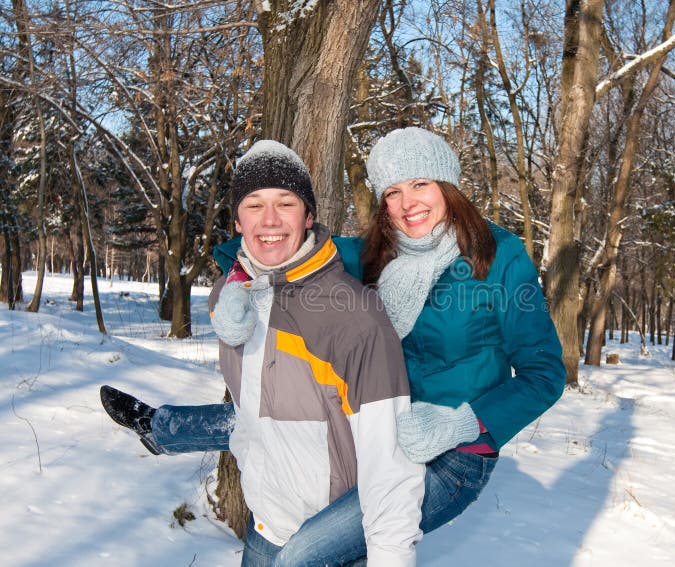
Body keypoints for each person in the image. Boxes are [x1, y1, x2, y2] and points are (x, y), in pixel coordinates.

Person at [102, 127, 566, 565]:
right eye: (392, 192)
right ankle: (160, 427)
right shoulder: (375, 252)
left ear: (448, 186)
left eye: (420, 184)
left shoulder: (501, 259)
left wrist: (463, 423)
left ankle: (161, 429)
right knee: (268, 418)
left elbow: (544, 374)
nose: (408, 204)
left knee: (300, 556)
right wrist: (239, 282)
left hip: (452, 455)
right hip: (374, 422)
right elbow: (281, 246)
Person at [101, 140, 425, 567]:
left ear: (308, 216)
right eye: (254, 205)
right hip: (263, 529)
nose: (269, 220)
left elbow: (391, 467)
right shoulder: (231, 298)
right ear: (236, 219)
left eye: (285, 203)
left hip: (331, 543)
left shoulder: (355, 318)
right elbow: (254, 415)